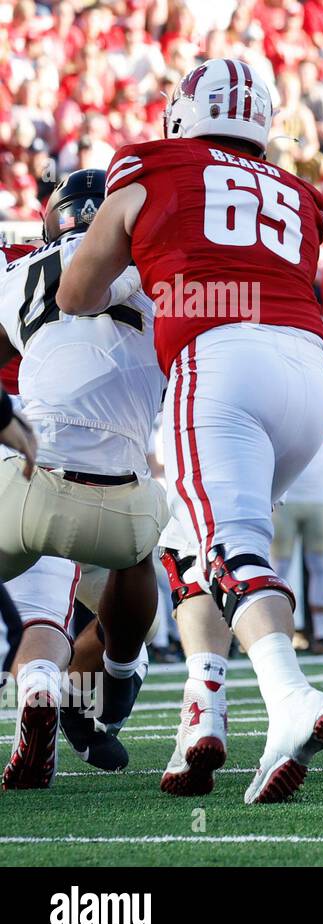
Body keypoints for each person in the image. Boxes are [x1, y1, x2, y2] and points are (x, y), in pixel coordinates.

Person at [58, 59, 323, 804]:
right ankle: (202, 715)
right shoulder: (300, 192)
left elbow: (76, 291)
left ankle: (290, 697)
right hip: (307, 375)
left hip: (220, 364)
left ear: (183, 114)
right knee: (189, 547)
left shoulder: (150, 162)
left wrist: (136, 276)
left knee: (229, 548)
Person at [0, 170, 167, 789]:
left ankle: (47, 687)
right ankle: (113, 678)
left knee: (37, 609)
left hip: (30, 470)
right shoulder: (161, 275)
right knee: (139, 552)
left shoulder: (17, 271)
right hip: (122, 493)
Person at [272, 383, 323, 653]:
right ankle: (271, 634)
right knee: (277, 567)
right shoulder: (278, 381)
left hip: (317, 495)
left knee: (320, 564)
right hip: (285, 494)